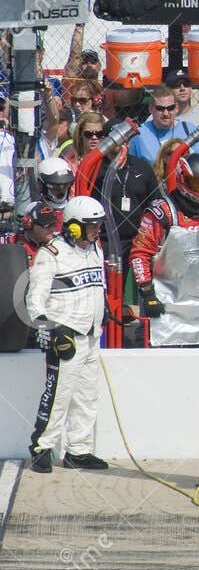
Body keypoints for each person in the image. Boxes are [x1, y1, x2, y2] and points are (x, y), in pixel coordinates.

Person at [25, 196, 110, 474]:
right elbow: (34, 302)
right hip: (66, 338)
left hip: (90, 335)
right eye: (92, 225)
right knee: (59, 396)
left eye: (98, 225)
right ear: (74, 227)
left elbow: (98, 286)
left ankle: (79, 450)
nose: (97, 230)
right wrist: (52, 330)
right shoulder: (51, 254)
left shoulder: (96, 249)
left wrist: (105, 309)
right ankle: (41, 448)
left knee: (87, 397)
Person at [128, 154, 199, 347]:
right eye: (198, 184)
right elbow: (139, 254)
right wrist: (147, 293)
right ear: (183, 180)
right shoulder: (162, 212)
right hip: (163, 305)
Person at [128, 86, 195, 164]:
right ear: (151, 109)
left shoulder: (189, 130)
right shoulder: (139, 134)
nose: (166, 113)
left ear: (176, 108)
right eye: (160, 108)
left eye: (170, 108)